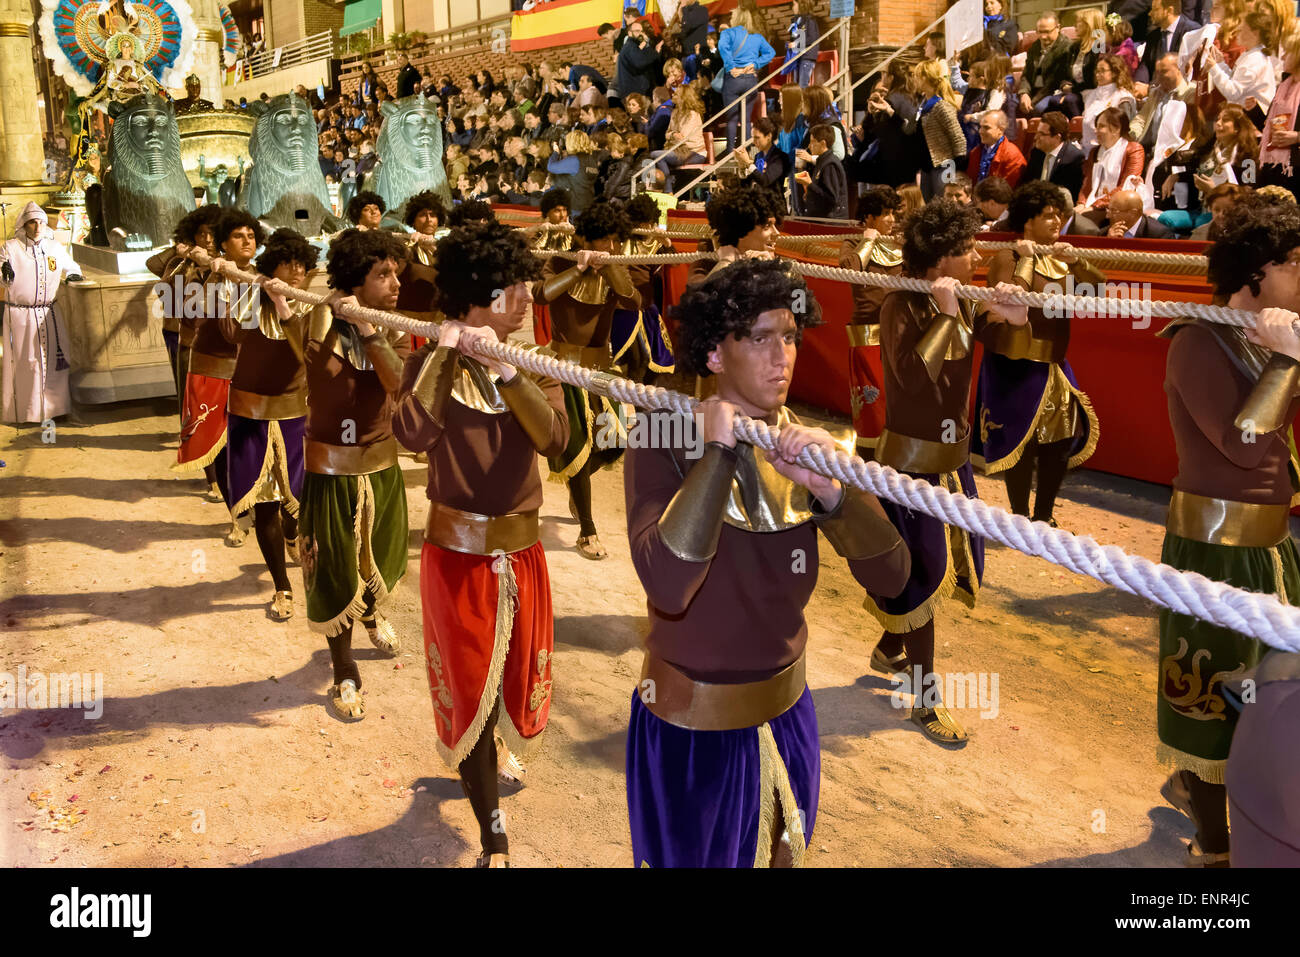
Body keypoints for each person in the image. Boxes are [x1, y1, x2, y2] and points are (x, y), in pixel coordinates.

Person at [624, 258, 910, 868]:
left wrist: (834, 495)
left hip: (788, 712)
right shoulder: (660, 436)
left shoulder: (806, 445)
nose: (782, 357)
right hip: (693, 726)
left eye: (788, 336)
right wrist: (720, 454)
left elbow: (894, 581)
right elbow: (669, 587)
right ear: (715, 355)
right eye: (759, 338)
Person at [391, 219, 563, 868]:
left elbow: (556, 441)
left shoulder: (535, 363)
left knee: (515, 687)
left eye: (527, 284)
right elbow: (409, 433)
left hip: (525, 556)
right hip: (455, 561)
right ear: (469, 297)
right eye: (509, 287)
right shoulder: (426, 361)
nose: (525, 297)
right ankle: (494, 838)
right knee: (475, 700)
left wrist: (507, 371)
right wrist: (444, 352)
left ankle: (488, 775)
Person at [1154, 196, 1300, 866]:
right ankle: (1215, 847)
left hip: (1272, 547)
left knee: (1276, 699)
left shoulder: (1260, 337)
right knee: (1209, 707)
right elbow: (1244, 442)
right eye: (1293, 265)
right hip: (1212, 549)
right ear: (1254, 274)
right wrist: (1289, 361)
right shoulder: (1196, 339)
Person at [863, 199, 1028, 746]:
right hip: (908, 468)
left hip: (951, 463)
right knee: (925, 578)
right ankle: (924, 698)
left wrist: (1015, 309)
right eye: (965, 250)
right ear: (939, 259)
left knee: (935, 572)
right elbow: (910, 380)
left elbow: (1013, 345)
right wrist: (947, 317)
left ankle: (891, 647)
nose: (977, 256)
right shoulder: (899, 304)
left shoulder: (962, 299)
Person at [299, 229, 411, 721]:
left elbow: (399, 386)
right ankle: (344, 669)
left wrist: (370, 328)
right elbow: (321, 374)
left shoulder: (391, 326)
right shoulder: (320, 316)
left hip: (383, 465)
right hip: (331, 469)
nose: (395, 284)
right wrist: (332, 311)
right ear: (353, 281)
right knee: (335, 569)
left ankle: (370, 612)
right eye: (381, 275)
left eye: (396, 273)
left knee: (377, 558)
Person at [972, 181, 1104, 529]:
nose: (1056, 221)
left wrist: (1078, 263)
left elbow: (1100, 295)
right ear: (1027, 221)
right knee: (1022, 442)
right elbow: (1013, 299)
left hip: (1054, 365)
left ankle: (1044, 515)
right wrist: (1028, 260)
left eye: (1059, 215)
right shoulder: (1008, 258)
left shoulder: (1063, 261)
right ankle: (1018, 515)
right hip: (1014, 365)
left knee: (1059, 441)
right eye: (1047, 216)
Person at [218, 229, 317, 621]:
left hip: (295, 414)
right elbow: (228, 334)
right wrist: (229, 282)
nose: (295, 271)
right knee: (265, 505)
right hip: (249, 413)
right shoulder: (249, 298)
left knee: (297, 499)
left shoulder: (312, 308)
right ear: (271, 265)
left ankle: (293, 536)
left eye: (302, 265)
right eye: (287, 263)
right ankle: (282, 586)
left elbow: (304, 353)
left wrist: (285, 303)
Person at [533, 201, 640, 559]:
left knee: (613, 444)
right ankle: (587, 529)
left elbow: (633, 301)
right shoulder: (561, 259)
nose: (610, 247)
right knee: (579, 447)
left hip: (602, 371)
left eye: (615, 240)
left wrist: (609, 267)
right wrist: (579, 269)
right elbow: (540, 293)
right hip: (565, 367)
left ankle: (577, 487)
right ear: (584, 237)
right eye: (604, 240)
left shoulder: (614, 266)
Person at [174, 210, 263, 540]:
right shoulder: (213, 277)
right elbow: (222, 330)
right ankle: (236, 517)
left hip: (251, 373)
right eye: (239, 236)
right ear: (224, 243)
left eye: (251, 235)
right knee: (223, 449)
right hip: (214, 370)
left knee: (255, 447)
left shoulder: (263, 277)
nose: (247, 241)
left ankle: (260, 509)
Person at [0, 202, 81, 425]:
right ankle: (26, 412)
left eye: (41, 222)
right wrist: (5, 273)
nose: (37, 227)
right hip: (20, 318)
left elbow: (71, 266)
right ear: (23, 225)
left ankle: (55, 408)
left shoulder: (54, 248)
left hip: (49, 314)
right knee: (26, 364)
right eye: (33, 222)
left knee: (55, 362)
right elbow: (3, 279)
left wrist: (74, 274)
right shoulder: (9, 248)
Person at [839, 185, 903, 457]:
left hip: (899, 334)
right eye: (885, 214)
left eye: (893, 213)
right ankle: (870, 475)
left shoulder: (900, 244)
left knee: (898, 408)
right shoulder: (853, 244)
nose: (891, 219)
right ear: (868, 218)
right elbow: (849, 271)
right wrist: (868, 241)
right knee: (871, 409)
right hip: (867, 334)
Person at [146, 205, 222, 421]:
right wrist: (178, 249)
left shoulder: (224, 264)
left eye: (212, 233)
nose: (207, 239)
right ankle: (187, 431)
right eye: (201, 233)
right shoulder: (179, 262)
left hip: (213, 334)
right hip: (176, 331)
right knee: (185, 385)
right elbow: (152, 264)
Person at [611, 193, 676, 384]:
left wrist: (667, 243)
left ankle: (642, 395)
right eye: (642, 222)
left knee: (659, 359)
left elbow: (675, 263)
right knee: (631, 361)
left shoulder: (656, 242)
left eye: (649, 222)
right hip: (623, 308)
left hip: (647, 308)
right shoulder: (620, 240)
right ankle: (630, 400)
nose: (646, 227)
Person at [687, 179, 783, 286]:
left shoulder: (778, 262)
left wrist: (773, 272)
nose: (777, 232)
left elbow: (798, 300)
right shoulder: (707, 260)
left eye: (775, 225)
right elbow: (696, 297)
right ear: (742, 230)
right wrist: (725, 262)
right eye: (767, 226)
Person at [1074, 107, 1145, 229]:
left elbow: (1125, 186)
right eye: (1097, 126)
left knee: (1083, 223)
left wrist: (1095, 206)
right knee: (1070, 217)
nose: (1096, 131)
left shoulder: (1133, 149)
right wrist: (1081, 203)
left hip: (1117, 207)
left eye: (1102, 126)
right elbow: (1087, 184)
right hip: (1092, 204)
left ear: (1116, 129)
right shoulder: (1094, 152)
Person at [718, 2, 775, 153]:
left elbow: (722, 48)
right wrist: (756, 64)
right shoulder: (757, 37)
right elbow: (771, 53)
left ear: (736, 18)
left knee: (731, 118)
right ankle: (746, 149)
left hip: (733, 79)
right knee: (746, 118)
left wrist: (731, 67)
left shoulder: (727, 33)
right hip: (750, 80)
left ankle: (731, 151)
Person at [1204, 8, 1276, 124]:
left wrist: (1213, 68)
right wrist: (1220, 63)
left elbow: (1233, 93)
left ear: (1255, 33)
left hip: (1252, 121)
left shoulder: (1255, 59)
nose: (1236, 31)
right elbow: (1234, 82)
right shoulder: (1250, 54)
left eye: (1241, 29)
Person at [913, 59, 968, 200]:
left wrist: (958, 168)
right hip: (927, 165)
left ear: (926, 77)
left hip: (943, 164)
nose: (915, 80)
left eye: (917, 76)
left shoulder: (941, 105)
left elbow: (957, 137)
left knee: (944, 203)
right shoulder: (923, 104)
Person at [639, 83, 706, 192]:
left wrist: (673, 135)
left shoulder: (693, 114)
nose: (672, 95)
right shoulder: (674, 113)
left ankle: (667, 189)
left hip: (693, 152)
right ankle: (654, 189)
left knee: (656, 155)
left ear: (683, 97)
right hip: (677, 150)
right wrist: (673, 134)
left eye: (676, 94)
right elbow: (668, 133)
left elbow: (683, 138)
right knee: (649, 159)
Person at [1259, 27, 1300, 199]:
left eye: (1287, 52)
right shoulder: (1284, 85)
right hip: (1274, 163)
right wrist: (1253, 110)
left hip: (1295, 167)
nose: (1282, 57)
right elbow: (1269, 123)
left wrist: (1297, 137)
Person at [1080, 54, 1139, 155]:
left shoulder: (1123, 97)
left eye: (1102, 71)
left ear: (1115, 72)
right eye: (1097, 71)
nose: (1098, 75)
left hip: (1112, 153)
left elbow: (1124, 132)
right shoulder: (1090, 95)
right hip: (1087, 151)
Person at [1017, 14, 1074, 116]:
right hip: (1033, 91)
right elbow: (1026, 75)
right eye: (1039, 32)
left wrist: (1033, 101)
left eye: (1047, 32)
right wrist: (1024, 93)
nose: (1042, 36)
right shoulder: (1035, 47)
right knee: (1009, 103)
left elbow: (1054, 82)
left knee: (1038, 108)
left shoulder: (1067, 48)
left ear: (1058, 28)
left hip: (1052, 92)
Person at [1024, 111, 1086, 202]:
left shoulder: (1074, 158)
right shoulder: (1037, 152)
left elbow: (1068, 196)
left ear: (1057, 137)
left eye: (1042, 134)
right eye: (1037, 132)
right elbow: (1027, 183)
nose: (1036, 137)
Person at [1139, 0, 1202, 85]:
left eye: (1155, 9)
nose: (1150, 13)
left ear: (1169, 11)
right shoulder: (1153, 36)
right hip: (1156, 90)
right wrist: (1140, 83)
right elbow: (1145, 64)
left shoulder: (1192, 31)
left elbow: (1193, 68)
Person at [733, 116, 791, 207]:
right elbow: (748, 184)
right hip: (759, 205)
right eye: (753, 138)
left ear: (768, 136)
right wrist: (742, 166)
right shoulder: (758, 156)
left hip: (774, 207)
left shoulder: (779, 157)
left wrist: (748, 163)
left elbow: (765, 181)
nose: (754, 142)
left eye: (757, 138)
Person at [794, 124, 848, 219]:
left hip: (831, 223)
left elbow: (831, 199)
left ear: (823, 143)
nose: (809, 146)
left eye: (812, 142)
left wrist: (810, 184)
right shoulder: (821, 161)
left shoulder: (830, 165)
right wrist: (809, 193)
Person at [547, 130, 602, 216]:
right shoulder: (591, 160)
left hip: (574, 206)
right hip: (588, 203)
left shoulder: (575, 160)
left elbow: (551, 167)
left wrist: (556, 153)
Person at [966, 110, 1026, 188]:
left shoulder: (1013, 157)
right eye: (980, 127)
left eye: (986, 127)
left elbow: (1006, 192)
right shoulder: (975, 152)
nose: (981, 131)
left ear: (1000, 130)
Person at [617, 17, 662, 100]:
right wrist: (656, 53)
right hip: (635, 93)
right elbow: (641, 62)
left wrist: (645, 43)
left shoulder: (633, 45)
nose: (641, 34)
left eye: (641, 31)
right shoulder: (630, 47)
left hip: (635, 91)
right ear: (630, 33)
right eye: (637, 31)